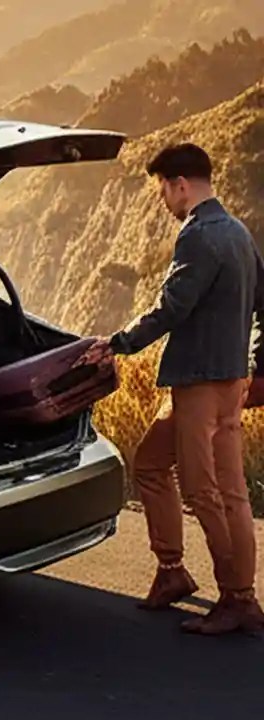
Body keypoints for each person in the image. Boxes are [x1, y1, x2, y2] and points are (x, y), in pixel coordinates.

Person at [81, 142, 264, 636]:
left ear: (181, 184)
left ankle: (237, 599)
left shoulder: (199, 236)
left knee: (210, 492)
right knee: (153, 464)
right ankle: (172, 571)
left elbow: (170, 308)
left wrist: (116, 343)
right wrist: (255, 367)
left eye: (162, 188)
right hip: (229, 380)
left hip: (200, 384)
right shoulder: (240, 233)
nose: (162, 199)